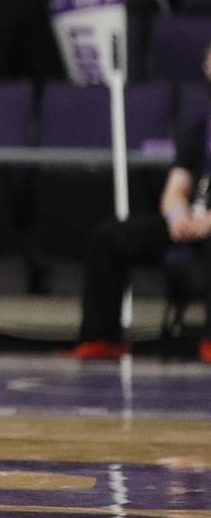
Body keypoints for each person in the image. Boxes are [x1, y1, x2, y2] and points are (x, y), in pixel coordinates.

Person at [67, 43, 210, 362]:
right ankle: (101, 337)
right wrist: (177, 216)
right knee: (108, 236)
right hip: (192, 221)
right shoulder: (200, 128)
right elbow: (176, 187)